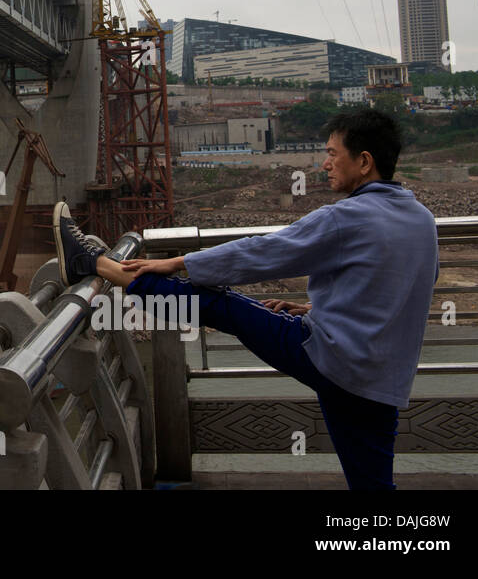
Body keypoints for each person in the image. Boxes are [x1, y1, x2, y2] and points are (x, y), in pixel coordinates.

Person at [53, 108, 438, 490]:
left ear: (364, 161)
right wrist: (318, 309)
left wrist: (179, 262)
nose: (324, 164)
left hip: (334, 359)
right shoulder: (421, 219)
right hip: (383, 380)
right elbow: (396, 287)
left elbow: (266, 252)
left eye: (333, 154)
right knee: (372, 483)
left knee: (224, 305)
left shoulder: (347, 216)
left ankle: (101, 266)